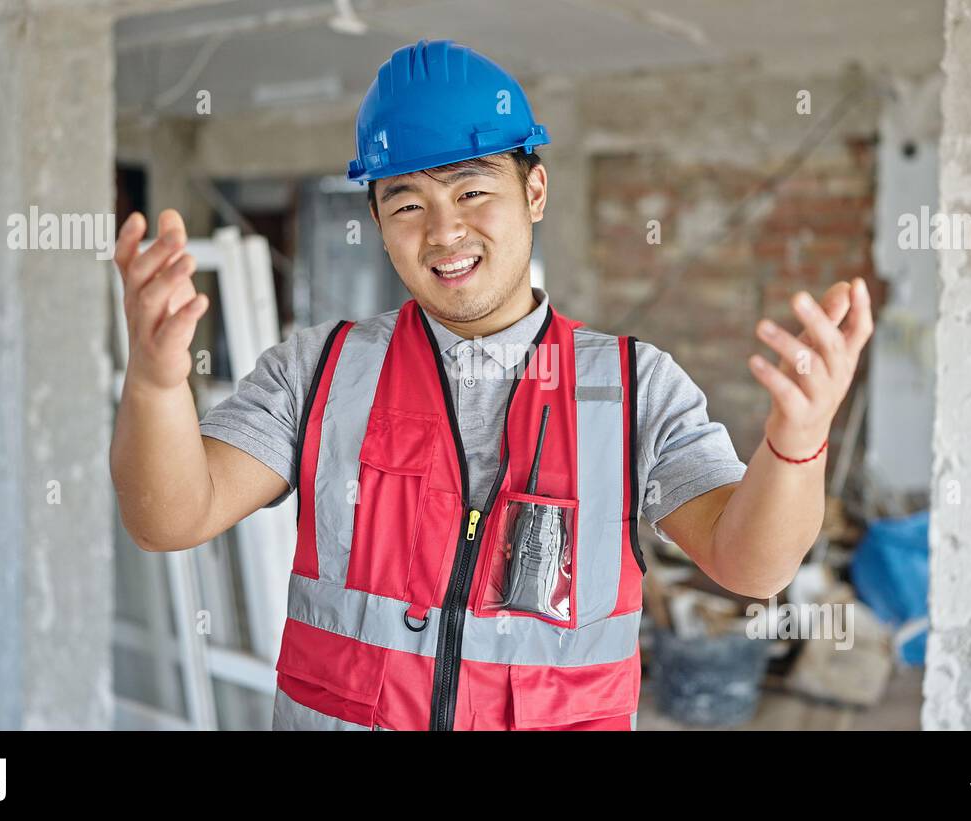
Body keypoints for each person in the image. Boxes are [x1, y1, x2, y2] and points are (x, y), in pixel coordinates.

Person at [109, 40, 873, 731]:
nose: (443, 231)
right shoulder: (319, 372)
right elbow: (170, 517)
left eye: (472, 190)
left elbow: (752, 564)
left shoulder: (631, 388)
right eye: (407, 202)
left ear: (534, 191)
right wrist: (154, 382)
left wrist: (797, 443)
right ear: (376, 218)